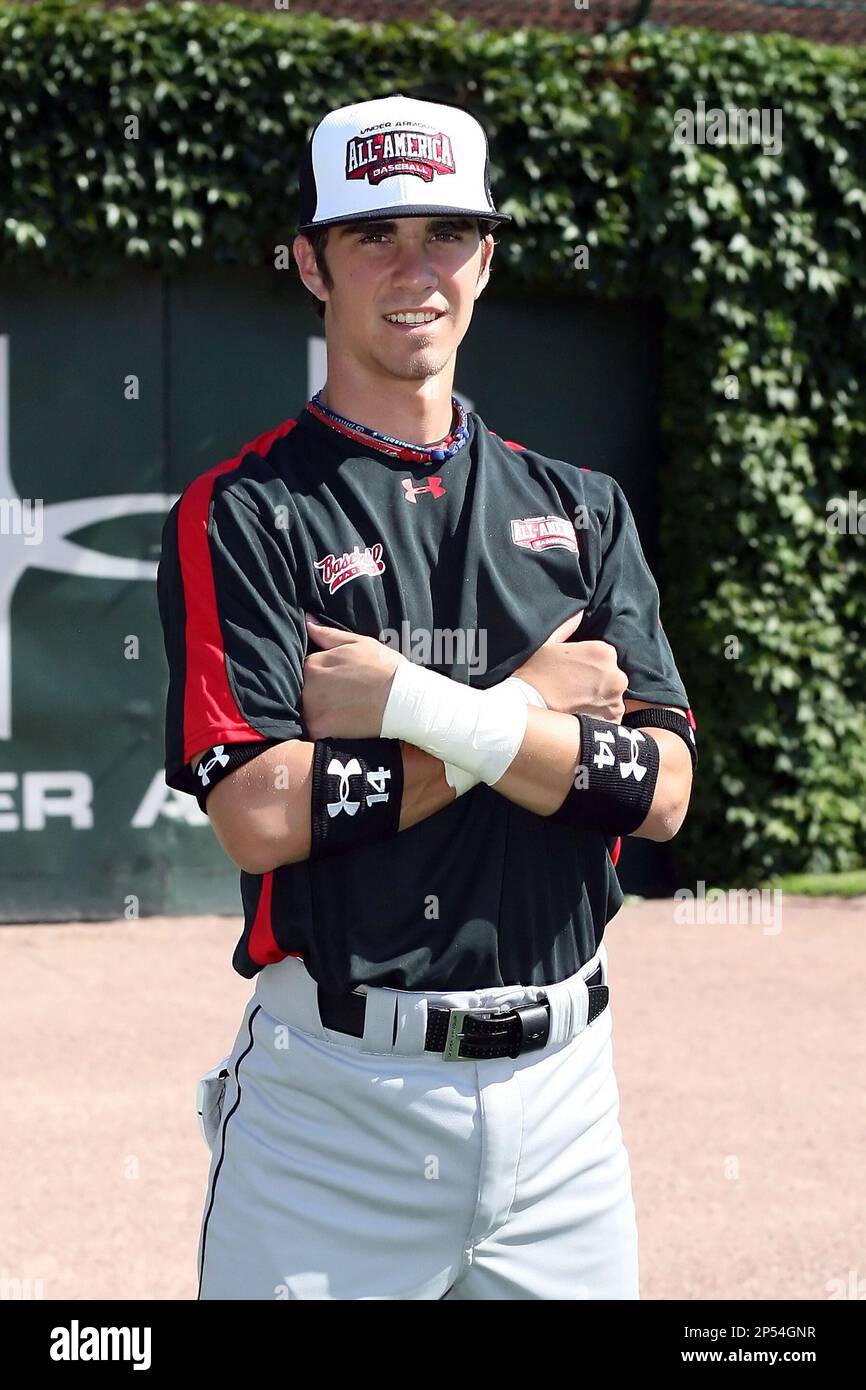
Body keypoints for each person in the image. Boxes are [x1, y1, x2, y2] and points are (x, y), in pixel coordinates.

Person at [156, 93, 697, 1301]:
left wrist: (410, 699)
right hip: (336, 1108)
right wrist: (531, 711)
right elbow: (259, 810)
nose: (416, 269)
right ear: (310, 262)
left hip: (565, 1101)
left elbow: (657, 792)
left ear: (487, 258)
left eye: (446, 232)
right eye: (373, 235)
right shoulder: (243, 513)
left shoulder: (583, 508)